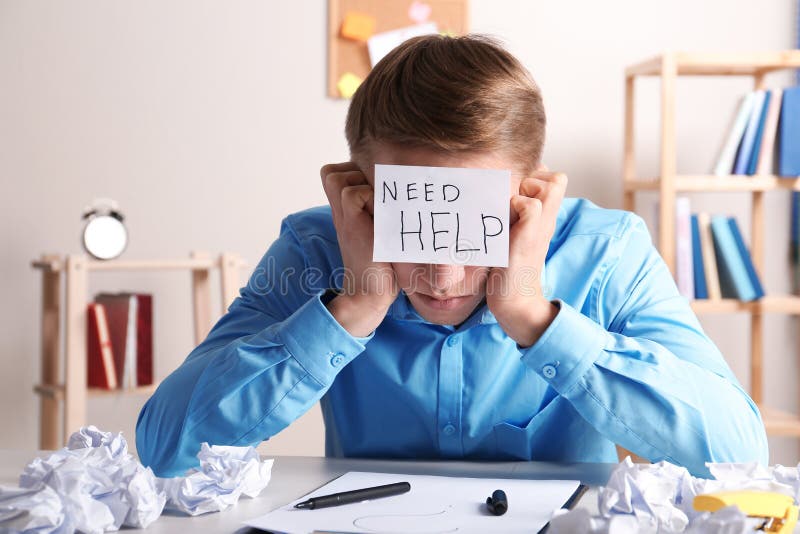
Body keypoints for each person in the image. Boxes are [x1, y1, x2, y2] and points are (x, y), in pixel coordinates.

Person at [136, 35, 768, 478]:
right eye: (410, 226)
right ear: (363, 195)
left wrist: (531, 314)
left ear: (528, 197)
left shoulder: (607, 252)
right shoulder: (315, 249)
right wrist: (352, 306)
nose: (443, 276)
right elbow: (165, 446)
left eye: (476, 228)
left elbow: (738, 454)